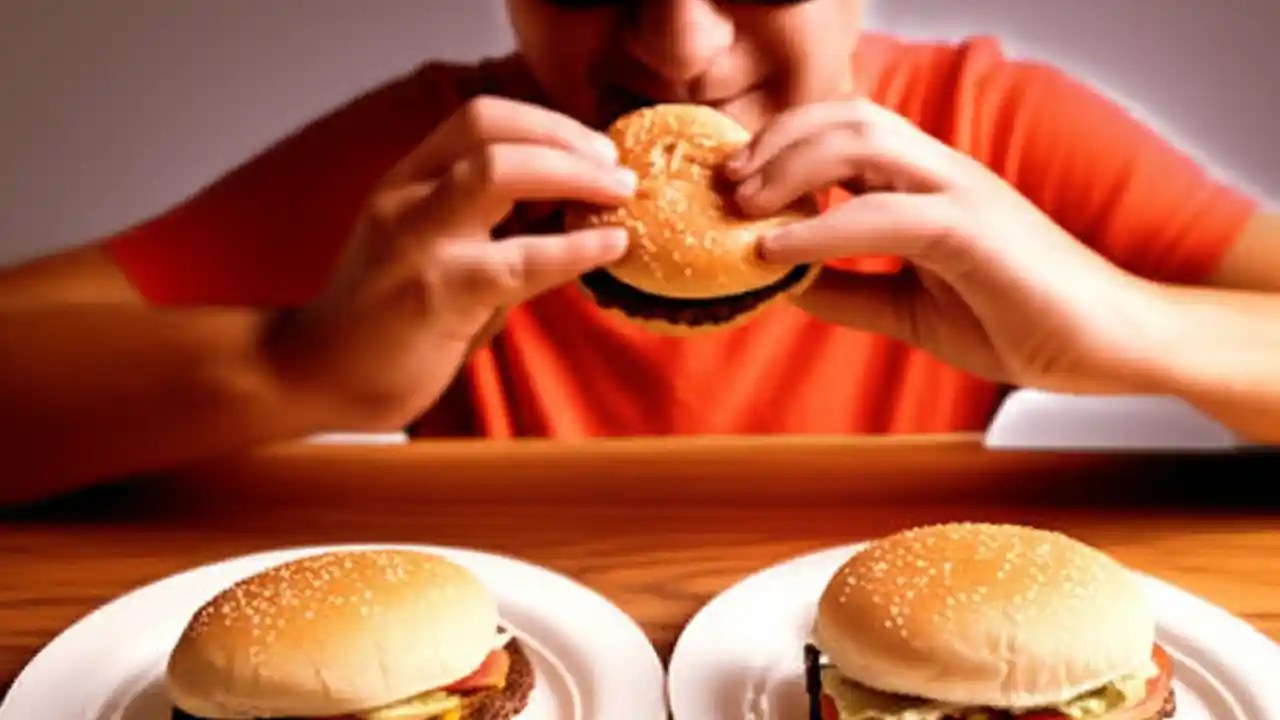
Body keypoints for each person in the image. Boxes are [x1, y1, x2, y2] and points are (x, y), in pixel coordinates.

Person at [1, 0, 1277, 505]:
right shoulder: (440, 169)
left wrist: (1129, 326)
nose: (674, 46)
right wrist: (297, 366)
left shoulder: (988, 134)